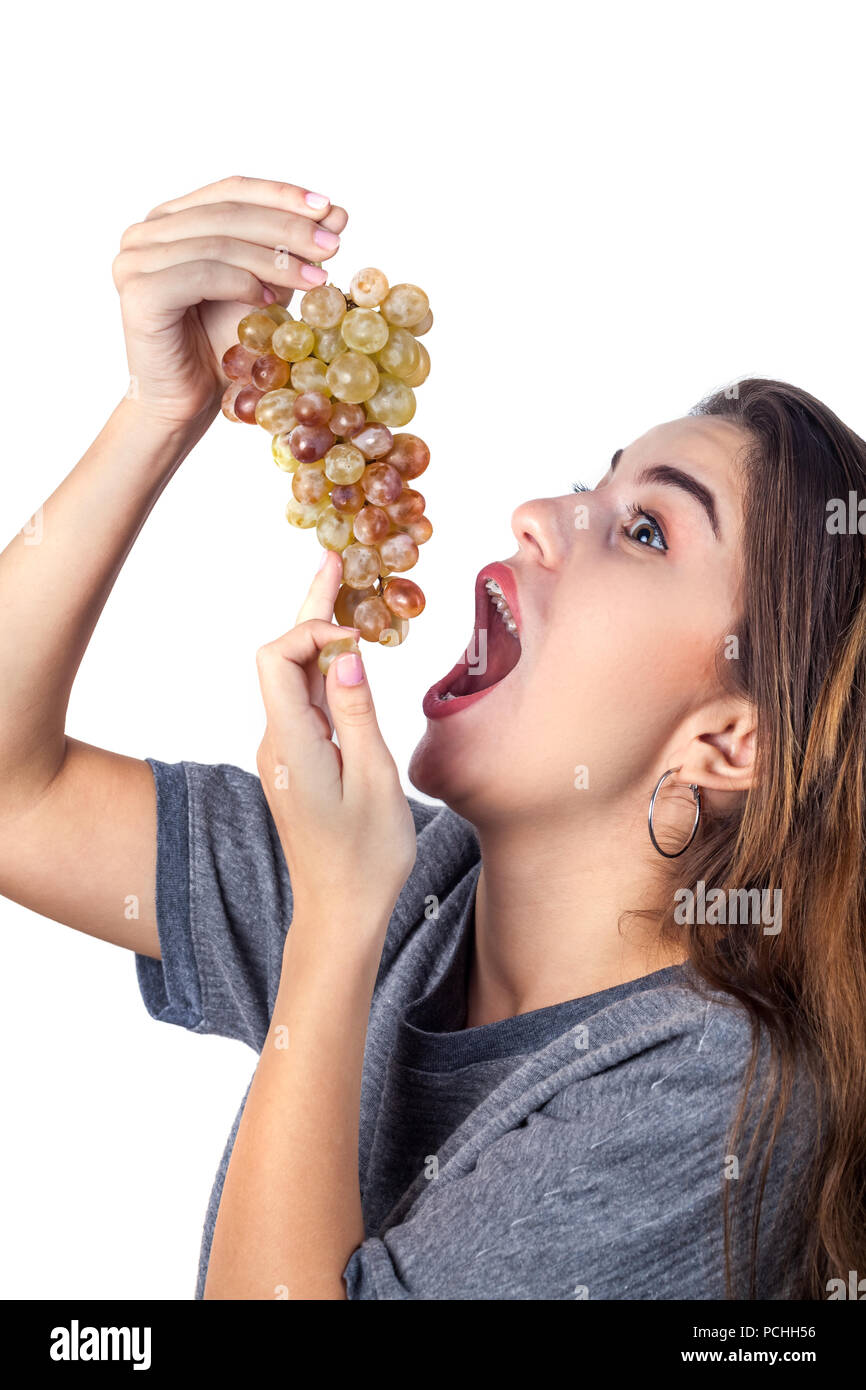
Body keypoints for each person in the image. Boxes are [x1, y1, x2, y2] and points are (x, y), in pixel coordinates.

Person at [1, 175, 863, 1302]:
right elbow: (17, 797)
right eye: (585, 485)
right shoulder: (419, 890)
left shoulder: (712, 1092)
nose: (538, 517)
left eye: (644, 529)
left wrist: (336, 919)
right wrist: (156, 412)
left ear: (724, 743)